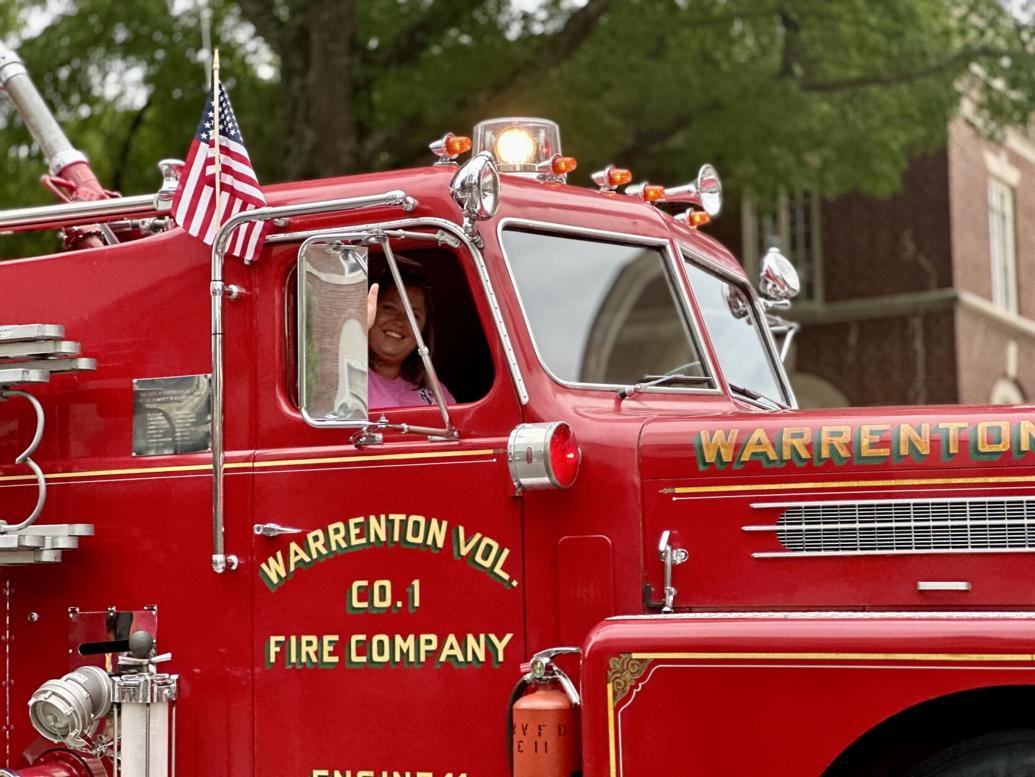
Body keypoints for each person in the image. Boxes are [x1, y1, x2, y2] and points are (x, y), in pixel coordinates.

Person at [365, 267, 456, 409]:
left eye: (414, 316)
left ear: (423, 332)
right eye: (389, 308)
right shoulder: (342, 374)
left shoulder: (436, 392)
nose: (400, 321)